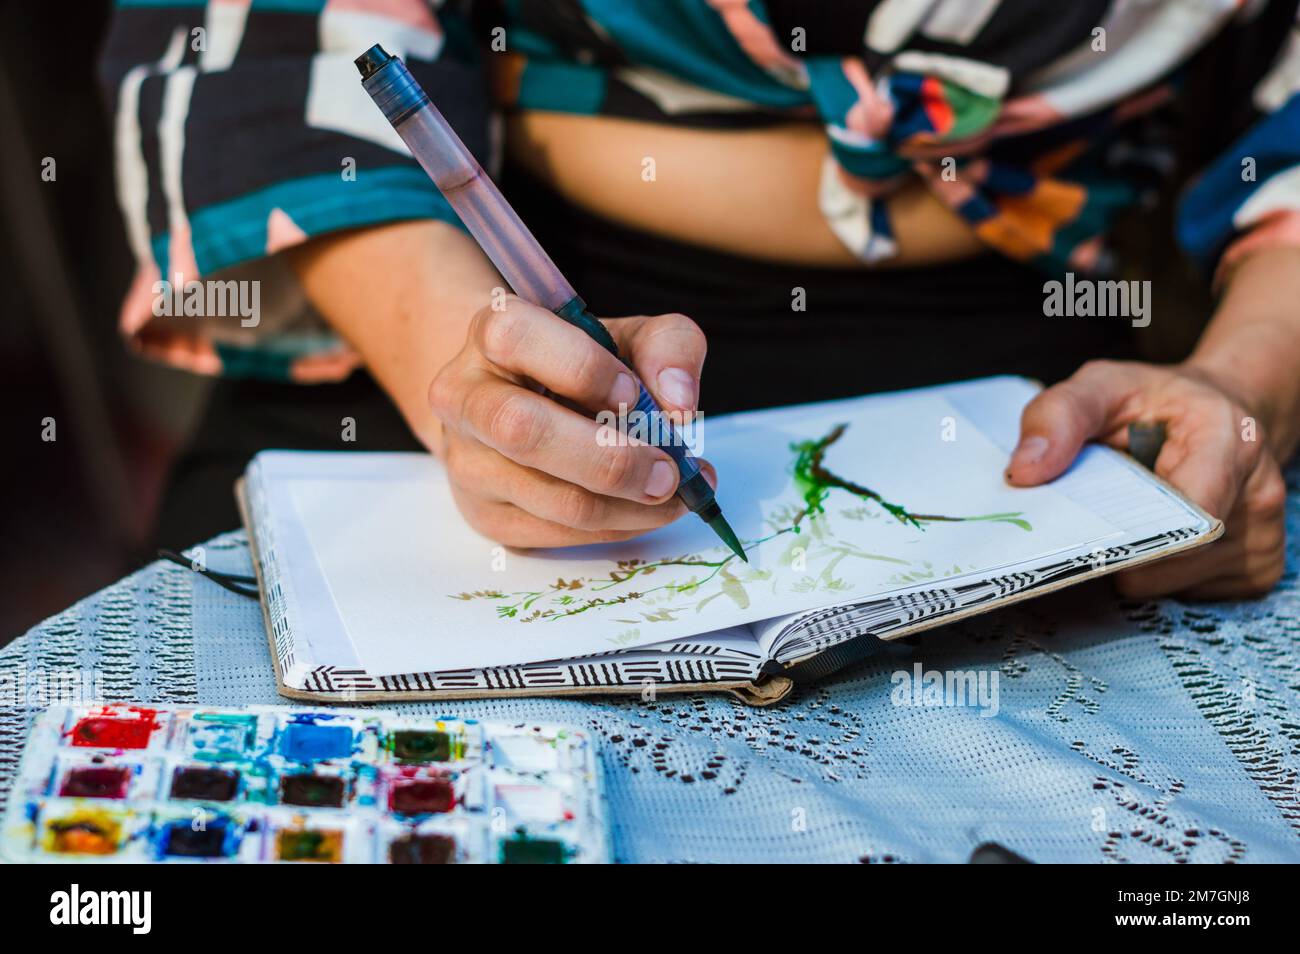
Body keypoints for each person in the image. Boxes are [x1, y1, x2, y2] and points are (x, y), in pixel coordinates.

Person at [99, 0, 1300, 599]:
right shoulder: (462, 342)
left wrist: (1241, 386)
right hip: (452, 296)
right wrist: (465, 378)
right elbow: (271, 60)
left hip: (1007, 372)